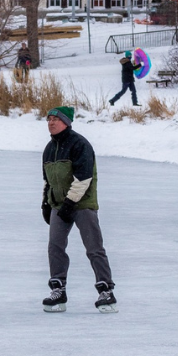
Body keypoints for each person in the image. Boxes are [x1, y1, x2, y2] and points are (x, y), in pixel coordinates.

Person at [41, 106, 117, 313]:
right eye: (48, 119)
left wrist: (69, 203)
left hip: (82, 204)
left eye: (55, 119)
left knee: (94, 248)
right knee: (55, 247)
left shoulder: (79, 144)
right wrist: (46, 203)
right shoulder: (49, 148)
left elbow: (84, 178)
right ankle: (58, 289)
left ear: (66, 122)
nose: (51, 122)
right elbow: (48, 181)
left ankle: (106, 290)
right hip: (59, 205)